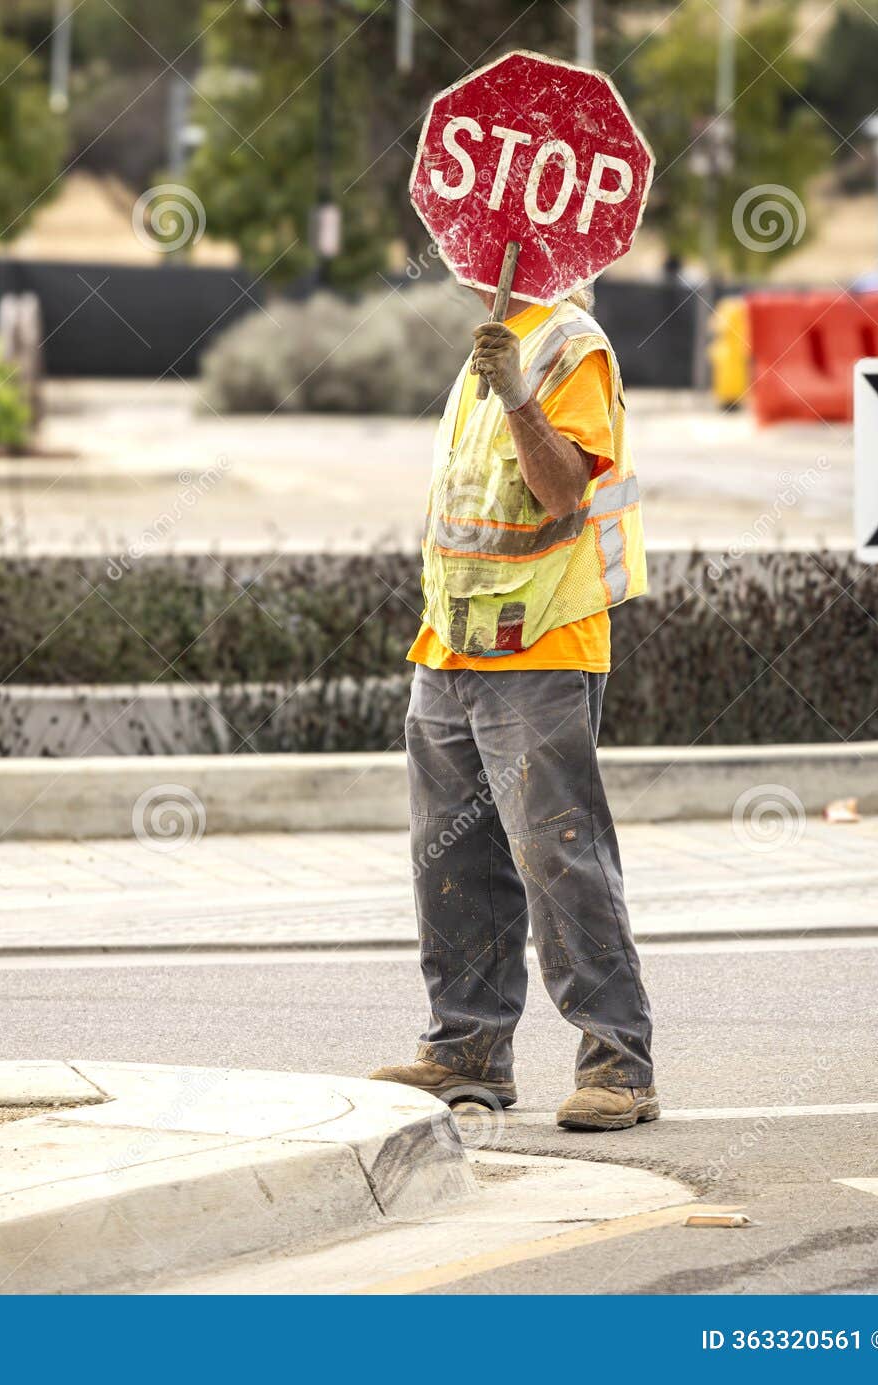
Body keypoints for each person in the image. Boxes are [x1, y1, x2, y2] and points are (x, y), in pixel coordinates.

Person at [369, 283, 656, 1132]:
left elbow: (563, 491)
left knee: (558, 853)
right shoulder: (490, 341)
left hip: (541, 640)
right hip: (453, 642)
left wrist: (522, 395)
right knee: (450, 859)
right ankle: (468, 1050)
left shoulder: (571, 346)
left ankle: (619, 1062)